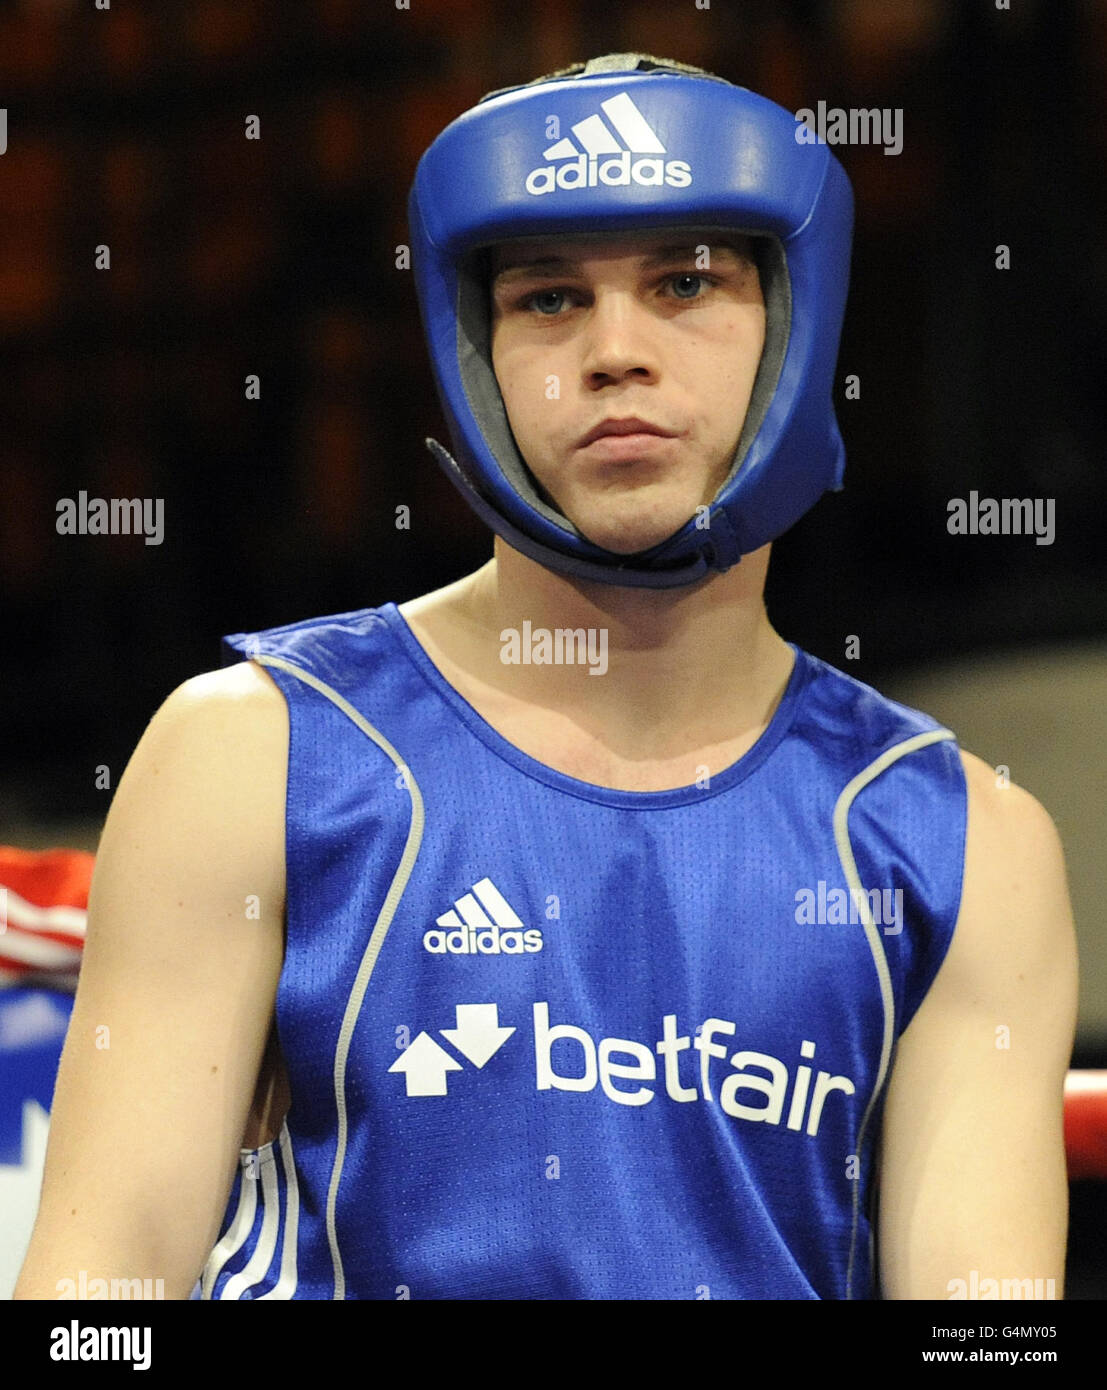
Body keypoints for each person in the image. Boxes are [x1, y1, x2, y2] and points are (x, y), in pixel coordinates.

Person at [15, 53, 1078, 1302]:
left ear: (800, 322)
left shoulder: (954, 842)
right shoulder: (260, 753)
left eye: (686, 283)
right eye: (549, 299)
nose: (616, 351)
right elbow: (96, 1301)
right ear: (477, 348)